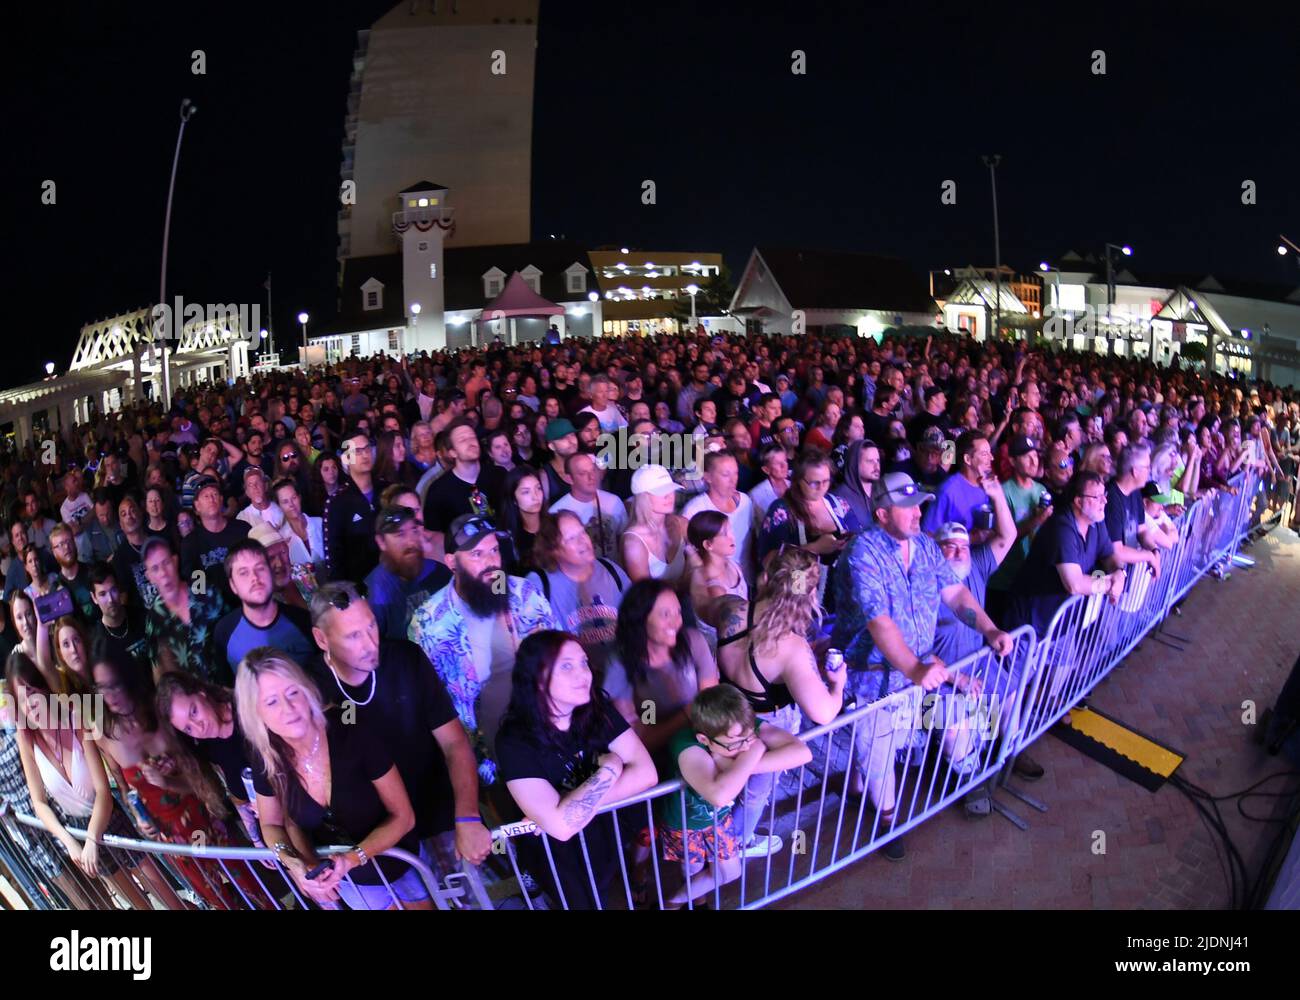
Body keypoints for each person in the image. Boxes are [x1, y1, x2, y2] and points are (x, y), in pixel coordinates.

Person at [830, 472, 1013, 861]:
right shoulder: (864, 553)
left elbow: (956, 592)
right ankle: (888, 823)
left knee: (919, 734)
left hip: (918, 670)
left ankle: (870, 780)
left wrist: (989, 627)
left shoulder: (927, 548)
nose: (918, 514)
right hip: (872, 678)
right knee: (879, 755)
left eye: (919, 505)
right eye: (908, 507)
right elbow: (879, 622)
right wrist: (915, 669)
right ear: (881, 513)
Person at [308, 582, 492, 875]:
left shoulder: (407, 659)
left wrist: (467, 816)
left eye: (371, 627)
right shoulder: (310, 689)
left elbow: (454, 743)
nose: (370, 644)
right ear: (321, 639)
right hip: (374, 837)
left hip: (436, 813)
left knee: (467, 896)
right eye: (354, 636)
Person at [238, 649, 431, 910]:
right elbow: (272, 824)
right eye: (271, 702)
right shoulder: (265, 759)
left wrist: (353, 857)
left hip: (401, 862)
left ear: (306, 689)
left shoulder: (352, 730)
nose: (288, 709)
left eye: (292, 692)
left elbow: (404, 816)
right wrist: (293, 862)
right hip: (353, 884)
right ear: (256, 713)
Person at [89, 649, 266, 909]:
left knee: (252, 887)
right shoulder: (102, 732)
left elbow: (204, 779)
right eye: (102, 687)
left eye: (114, 684)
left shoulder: (161, 713)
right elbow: (124, 787)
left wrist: (167, 783)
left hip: (204, 815)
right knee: (219, 901)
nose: (110, 695)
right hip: (171, 837)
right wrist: (137, 816)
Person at [494, 630, 657, 910]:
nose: (583, 673)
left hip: (602, 837)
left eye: (583, 662)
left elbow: (646, 773)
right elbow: (561, 828)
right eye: (566, 666)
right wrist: (611, 768)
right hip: (560, 857)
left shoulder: (597, 708)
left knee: (602, 889)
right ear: (537, 678)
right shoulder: (514, 740)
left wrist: (570, 809)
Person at [8, 651, 177, 909]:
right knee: (140, 905)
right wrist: (70, 842)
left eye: (32, 693)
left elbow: (102, 792)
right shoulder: (25, 737)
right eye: (22, 700)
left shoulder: (74, 715)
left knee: (165, 894)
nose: (30, 705)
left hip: (107, 816)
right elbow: (39, 803)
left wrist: (91, 840)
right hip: (76, 828)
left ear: (43, 689)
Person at [707, 546, 845, 858]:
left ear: (768, 578)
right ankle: (737, 843)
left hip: (726, 712)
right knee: (756, 791)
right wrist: (837, 686)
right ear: (811, 593)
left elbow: (707, 610)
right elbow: (823, 713)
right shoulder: (791, 647)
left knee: (728, 778)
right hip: (766, 727)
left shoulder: (733, 609)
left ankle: (718, 821)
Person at [407, 514, 560, 783]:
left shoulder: (525, 595)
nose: (491, 561)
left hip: (548, 739)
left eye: (494, 550)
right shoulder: (429, 622)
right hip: (483, 763)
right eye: (477, 554)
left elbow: (560, 659)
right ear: (452, 562)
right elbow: (428, 705)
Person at [658, 684, 811, 908]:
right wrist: (756, 751)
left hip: (719, 819)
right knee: (691, 869)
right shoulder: (685, 744)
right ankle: (693, 900)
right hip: (685, 824)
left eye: (749, 739)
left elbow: (802, 753)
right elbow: (718, 795)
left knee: (730, 872)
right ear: (704, 740)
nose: (745, 747)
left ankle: (671, 903)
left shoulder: (740, 730)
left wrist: (731, 761)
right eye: (735, 744)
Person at [1004, 470, 1127, 642]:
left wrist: (1120, 573)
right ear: (1078, 501)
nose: (1105, 501)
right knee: (1019, 669)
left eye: (1104, 494)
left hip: (1061, 624)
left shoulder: (1095, 522)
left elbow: (1109, 556)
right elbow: (1074, 584)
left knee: (1064, 668)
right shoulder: (1062, 528)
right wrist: (1108, 585)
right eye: (1097, 497)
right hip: (1028, 628)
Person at [605, 579, 719, 757]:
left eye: (678, 612)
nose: (676, 622)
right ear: (641, 619)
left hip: (701, 742)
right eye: (666, 614)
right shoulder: (620, 663)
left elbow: (713, 704)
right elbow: (638, 740)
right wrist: (686, 714)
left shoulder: (692, 642)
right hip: (658, 757)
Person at [530, 511, 629, 676]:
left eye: (582, 532)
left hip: (621, 673)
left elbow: (638, 614)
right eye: (571, 539)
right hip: (577, 682)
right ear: (553, 550)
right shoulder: (539, 585)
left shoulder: (611, 570)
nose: (583, 541)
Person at [757, 449, 858, 610]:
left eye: (826, 481)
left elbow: (859, 539)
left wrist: (850, 543)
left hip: (841, 591)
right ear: (797, 481)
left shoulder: (838, 505)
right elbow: (769, 562)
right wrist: (813, 548)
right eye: (814, 483)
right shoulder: (781, 510)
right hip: (799, 591)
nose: (821, 487)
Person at [214, 538, 317, 676]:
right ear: (233, 585)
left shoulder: (303, 621)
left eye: (260, 568)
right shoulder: (224, 631)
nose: (255, 578)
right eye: (244, 573)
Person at [141, 534, 229, 684]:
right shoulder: (154, 618)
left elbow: (234, 632)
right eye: (155, 569)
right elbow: (158, 669)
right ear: (149, 576)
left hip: (230, 686)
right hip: (195, 701)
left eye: (166, 563)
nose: (163, 573)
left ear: (175, 561)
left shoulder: (205, 592)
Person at [364, 506, 452, 640]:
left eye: (414, 530)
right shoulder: (376, 592)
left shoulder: (439, 572)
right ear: (381, 542)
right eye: (400, 534)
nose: (411, 541)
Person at [682, 449, 755, 587]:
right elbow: (691, 557)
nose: (733, 480)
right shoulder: (694, 510)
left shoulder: (746, 501)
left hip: (745, 581)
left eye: (736, 473)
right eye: (725, 474)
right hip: (715, 586)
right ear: (707, 477)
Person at [180, 476, 251, 604]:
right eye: (206, 496)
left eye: (214, 494)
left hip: (247, 600)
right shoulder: (191, 544)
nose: (211, 499)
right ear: (197, 506)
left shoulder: (242, 529)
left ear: (221, 499)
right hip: (214, 610)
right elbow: (198, 589)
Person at [547, 453, 627, 564]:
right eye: (583, 473)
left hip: (612, 573)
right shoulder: (556, 513)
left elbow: (624, 540)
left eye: (593, 470)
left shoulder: (614, 502)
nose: (592, 477)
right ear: (569, 479)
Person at [323, 433, 382, 583]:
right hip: (361, 584)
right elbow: (334, 557)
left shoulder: (386, 489)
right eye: (357, 451)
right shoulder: (337, 503)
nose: (365, 455)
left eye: (367, 448)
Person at [622, 464, 691, 584]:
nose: (668, 496)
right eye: (660, 491)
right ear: (643, 497)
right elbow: (646, 595)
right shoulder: (633, 542)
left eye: (670, 489)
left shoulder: (681, 524)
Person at [922, 431, 996, 540]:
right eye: (984, 454)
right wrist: (969, 539)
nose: (992, 458)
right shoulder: (948, 491)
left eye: (990, 453)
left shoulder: (987, 484)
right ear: (967, 459)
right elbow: (927, 535)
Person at [88, 563, 149, 669]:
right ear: (94, 598)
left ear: (119, 588)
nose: (110, 599)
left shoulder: (142, 616)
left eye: (113, 590)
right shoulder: (98, 643)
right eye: (103, 594)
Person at [271, 477, 326, 571]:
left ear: (299, 498)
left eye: (294, 498)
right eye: (285, 502)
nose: (291, 504)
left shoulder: (320, 523)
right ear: (279, 506)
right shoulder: (281, 538)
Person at [48, 524, 96, 623]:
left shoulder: (93, 571)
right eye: (60, 544)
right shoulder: (55, 590)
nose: (66, 547)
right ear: (54, 552)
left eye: (69, 541)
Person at [832, 438, 883, 529]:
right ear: (854, 464)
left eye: (878, 460)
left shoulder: (883, 491)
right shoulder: (839, 498)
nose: (876, 466)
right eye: (870, 461)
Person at [747, 443, 790, 523]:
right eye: (778, 463)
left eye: (785, 461)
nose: (784, 466)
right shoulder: (756, 495)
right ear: (766, 469)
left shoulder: (793, 486)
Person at [236, 467, 285, 533]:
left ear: (265, 486)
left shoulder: (281, 510)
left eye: (258, 482)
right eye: (250, 485)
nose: (255, 487)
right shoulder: (242, 518)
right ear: (247, 492)